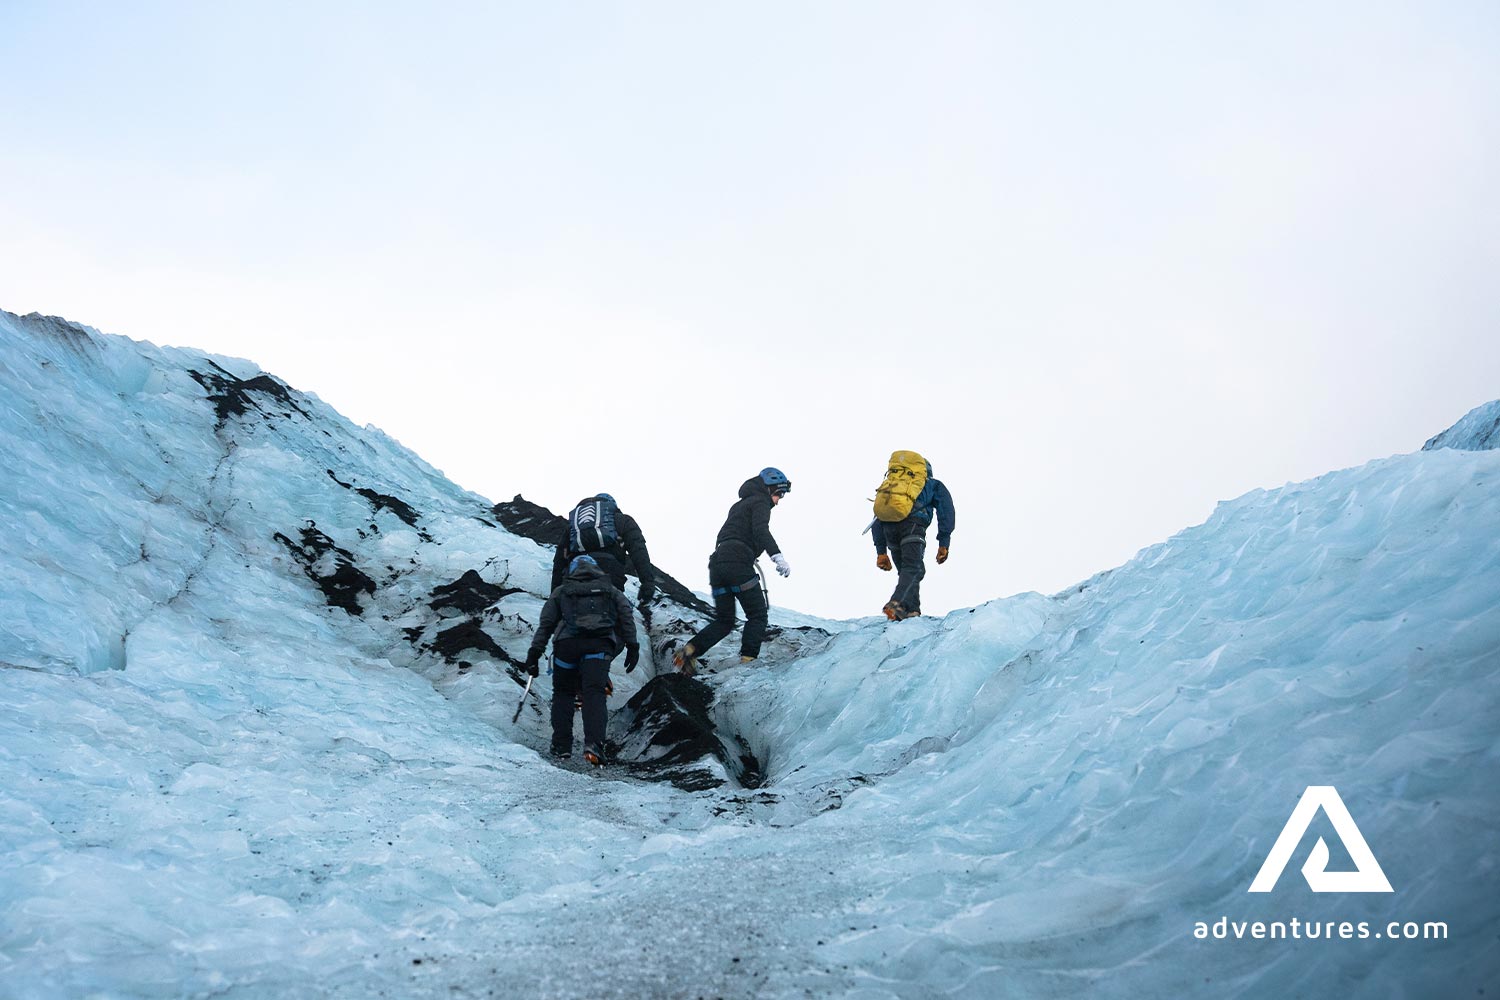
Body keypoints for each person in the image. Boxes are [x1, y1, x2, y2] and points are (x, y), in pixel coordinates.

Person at [673, 468, 792, 675]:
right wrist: (777, 556)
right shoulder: (761, 501)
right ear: (770, 488)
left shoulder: (738, 505)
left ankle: (689, 651)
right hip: (738, 563)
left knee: (724, 621)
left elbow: (734, 533)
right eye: (779, 494)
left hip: (718, 565)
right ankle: (748, 662)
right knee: (757, 615)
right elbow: (761, 530)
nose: (778, 501)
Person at [525, 555, 640, 766]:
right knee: (594, 693)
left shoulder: (562, 591)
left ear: (572, 570)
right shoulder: (610, 590)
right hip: (599, 647)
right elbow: (626, 615)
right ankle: (594, 746)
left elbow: (546, 624)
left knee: (563, 693)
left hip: (567, 647)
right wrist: (632, 645)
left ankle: (561, 747)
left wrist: (535, 652)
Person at [552, 493, 657, 625]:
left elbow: (559, 561)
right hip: (610, 578)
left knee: (573, 623)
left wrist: (554, 595)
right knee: (611, 623)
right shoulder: (622, 520)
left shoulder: (574, 527)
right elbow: (639, 551)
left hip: (575, 579)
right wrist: (647, 583)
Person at [872, 456, 954, 621]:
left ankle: (911, 611)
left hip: (889, 529)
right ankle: (896, 603)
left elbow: (877, 517)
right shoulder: (931, 484)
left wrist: (881, 552)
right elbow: (946, 512)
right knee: (914, 568)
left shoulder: (892, 485)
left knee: (907, 571)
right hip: (913, 526)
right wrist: (944, 542)